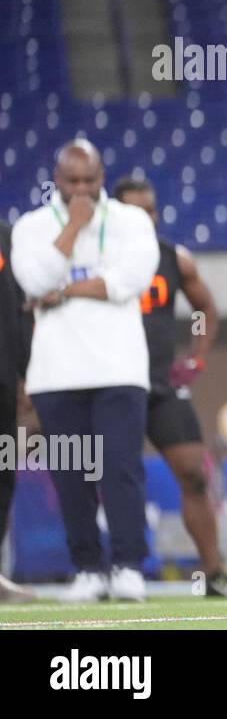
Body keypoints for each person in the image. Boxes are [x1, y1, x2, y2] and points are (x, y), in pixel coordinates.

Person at [10, 139, 159, 601]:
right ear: (56, 180)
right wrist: (72, 228)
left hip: (120, 368)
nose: (81, 190)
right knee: (72, 475)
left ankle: (130, 566)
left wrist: (65, 290)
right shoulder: (32, 226)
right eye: (72, 182)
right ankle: (89, 570)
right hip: (56, 374)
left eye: (90, 181)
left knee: (120, 469)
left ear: (102, 178)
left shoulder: (130, 220)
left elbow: (130, 279)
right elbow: (33, 281)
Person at [112, 176, 227, 597]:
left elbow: (206, 308)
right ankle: (112, 571)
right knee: (108, 477)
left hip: (160, 383)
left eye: (151, 210)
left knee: (194, 474)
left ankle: (213, 574)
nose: (146, 219)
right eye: (135, 212)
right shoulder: (99, 256)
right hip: (112, 383)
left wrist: (196, 355)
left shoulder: (173, 257)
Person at [0, 217, 34, 602]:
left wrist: (25, 371)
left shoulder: (9, 237)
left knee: (3, 474)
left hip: (4, 375)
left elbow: (20, 308)